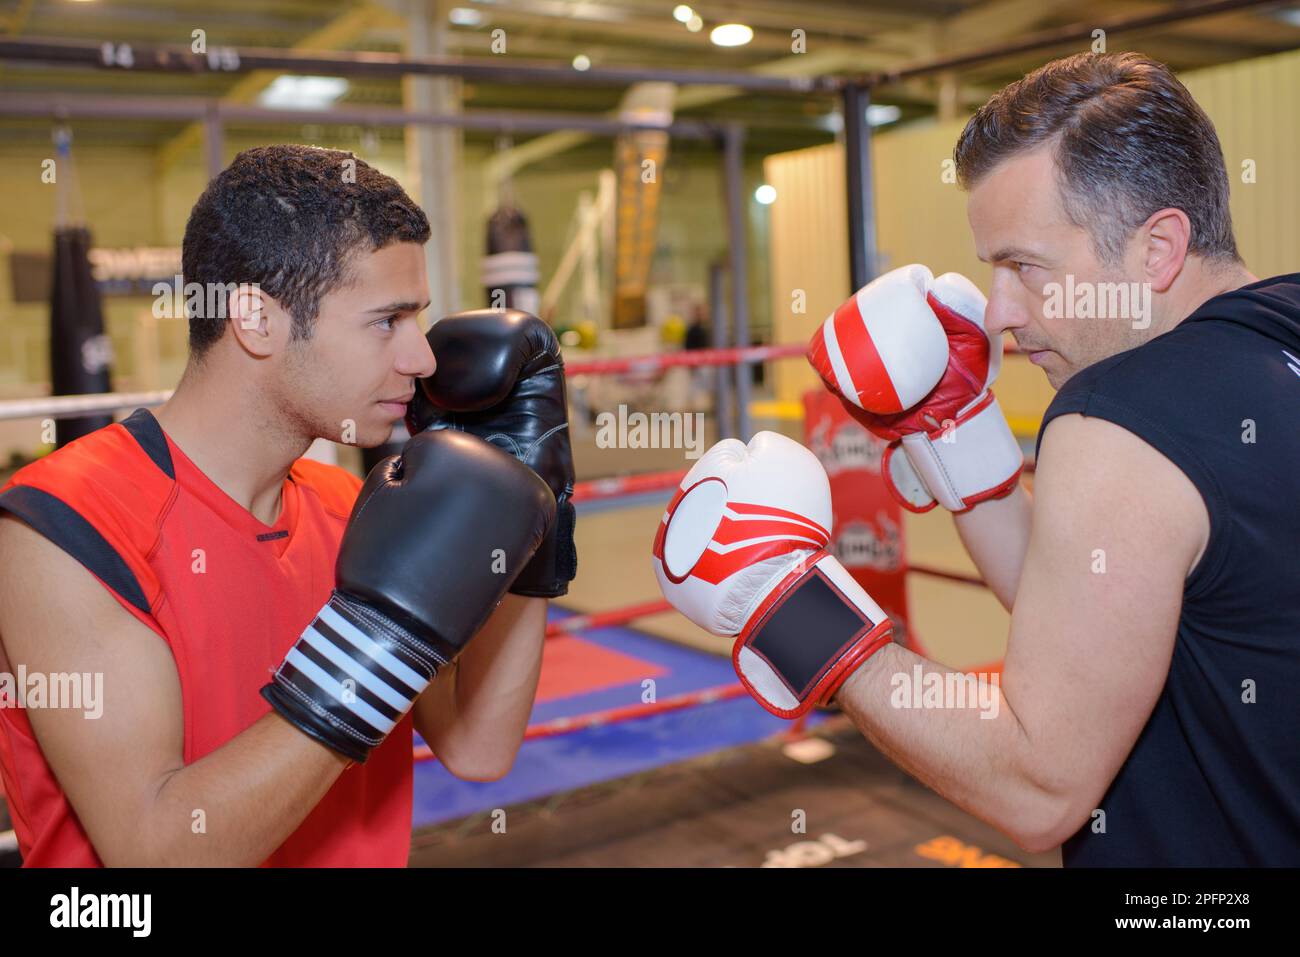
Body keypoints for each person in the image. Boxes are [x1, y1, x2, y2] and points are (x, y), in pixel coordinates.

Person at [656, 52, 1300, 866]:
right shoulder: (1281, 330)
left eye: (1025, 268)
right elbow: (1099, 622)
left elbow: (1037, 787)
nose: (997, 312)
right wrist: (959, 436)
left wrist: (785, 604)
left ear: (1157, 248)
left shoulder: (1122, 417)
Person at [0, 144, 575, 866]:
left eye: (417, 318)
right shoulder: (66, 527)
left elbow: (478, 747)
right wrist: (375, 646)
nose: (421, 358)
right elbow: (157, 850)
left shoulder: (356, 507)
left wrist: (532, 519)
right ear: (257, 318)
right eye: (386, 319)